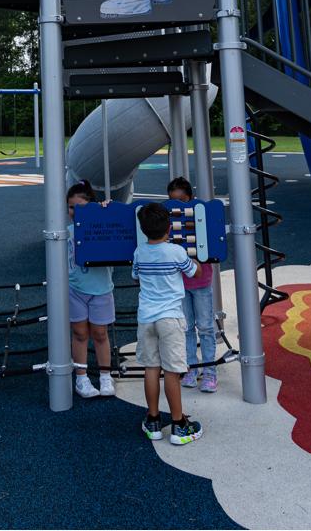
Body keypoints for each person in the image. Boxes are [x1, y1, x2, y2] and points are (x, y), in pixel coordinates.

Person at [132, 202, 202, 445]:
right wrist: (197, 261)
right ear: (169, 229)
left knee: (151, 368)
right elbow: (195, 272)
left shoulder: (139, 252)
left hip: (146, 318)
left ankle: (153, 420)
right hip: (170, 318)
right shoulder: (176, 252)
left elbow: (136, 276)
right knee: (172, 372)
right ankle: (179, 424)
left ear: (143, 229)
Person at [166, 176, 219, 393]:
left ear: (191, 198)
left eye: (182, 200)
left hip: (201, 281)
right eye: (173, 201)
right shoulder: (169, 223)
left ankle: (210, 372)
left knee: (205, 327)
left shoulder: (201, 217)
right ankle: (191, 368)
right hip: (180, 283)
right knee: (186, 327)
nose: (178, 205)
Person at [65, 181, 116, 398]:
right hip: (75, 289)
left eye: (82, 208)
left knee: (100, 333)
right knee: (79, 333)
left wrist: (106, 212)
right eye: (71, 207)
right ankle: (81, 377)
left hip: (101, 289)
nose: (75, 212)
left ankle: (105, 375)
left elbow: (119, 226)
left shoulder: (102, 227)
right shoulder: (66, 233)